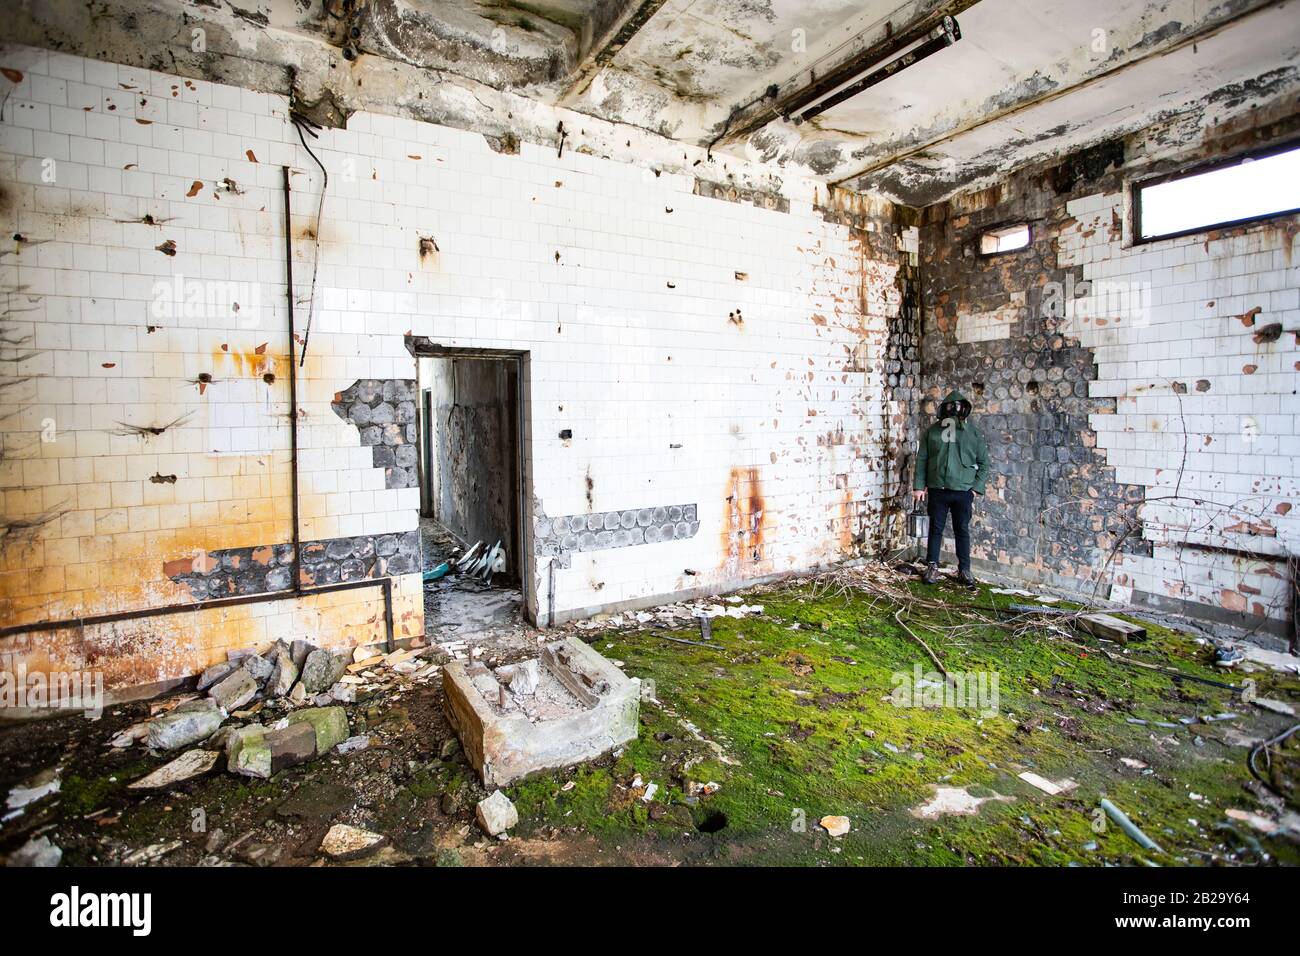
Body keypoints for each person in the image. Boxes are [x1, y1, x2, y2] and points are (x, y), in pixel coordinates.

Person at [912, 390, 990, 586]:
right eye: (950, 406)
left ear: (963, 409)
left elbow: (984, 463)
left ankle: (964, 570)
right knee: (936, 528)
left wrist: (975, 488)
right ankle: (932, 566)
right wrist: (919, 486)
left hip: (963, 491)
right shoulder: (932, 432)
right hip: (938, 489)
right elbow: (922, 460)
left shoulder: (973, 433)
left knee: (961, 529)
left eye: (957, 406)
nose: (954, 410)